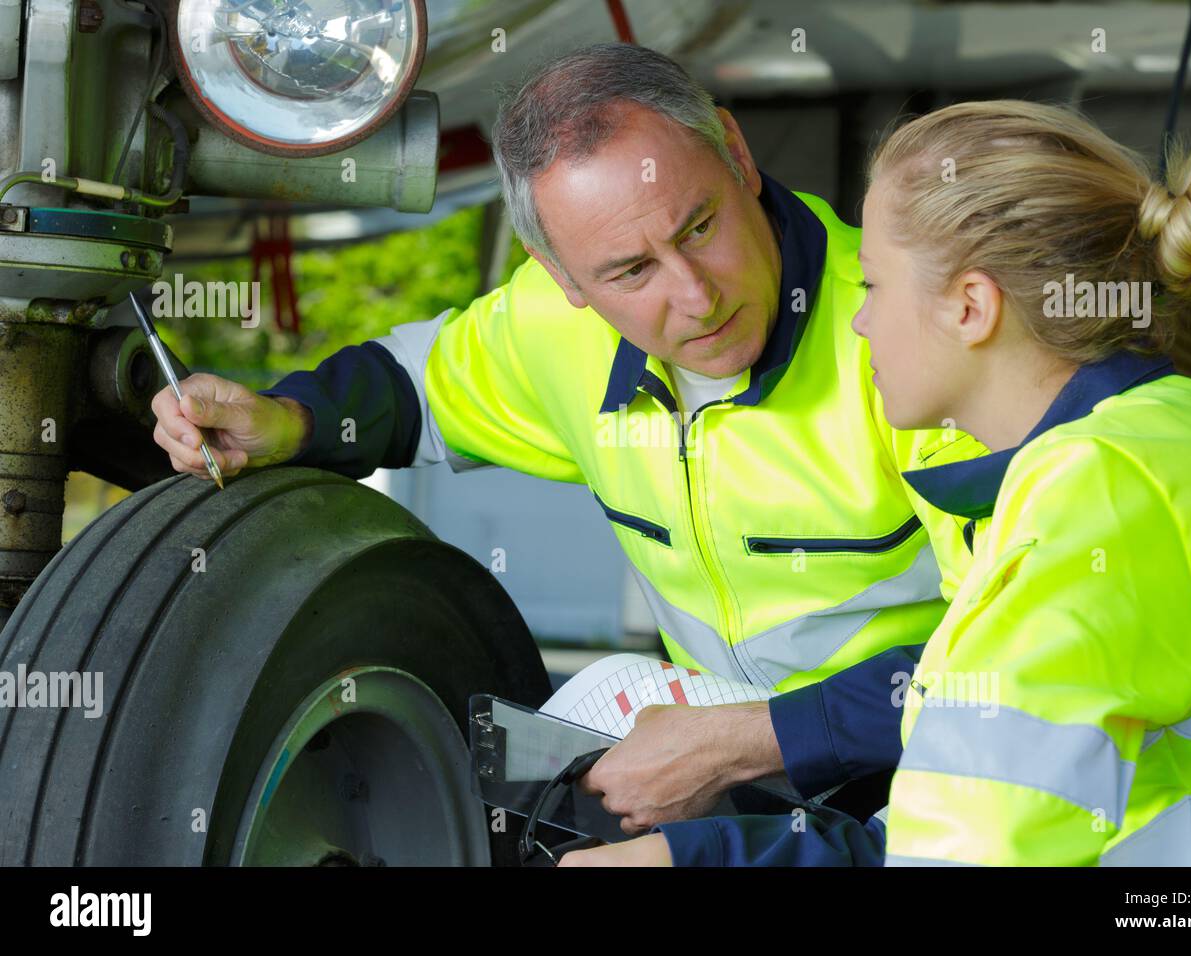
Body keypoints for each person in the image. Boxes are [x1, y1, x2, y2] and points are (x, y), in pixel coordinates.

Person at [149, 43, 983, 832]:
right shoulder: (550, 327)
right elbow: (410, 386)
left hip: (942, 771)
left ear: (735, 151)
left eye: (699, 228)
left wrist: (746, 740)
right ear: (561, 276)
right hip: (741, 759)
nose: (696, 296)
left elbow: (1014, 662)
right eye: (631, 270)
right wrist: (288, 422)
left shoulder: (916, 347)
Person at [566, 98, 1191, 866]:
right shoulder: (1153, 438)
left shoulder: (1097, 497)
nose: (858, 324)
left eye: (874, 285)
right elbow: (961, 817)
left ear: (970, 307)